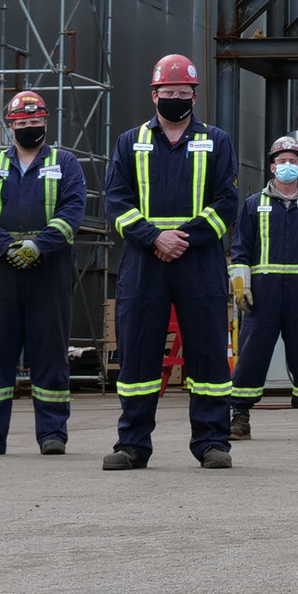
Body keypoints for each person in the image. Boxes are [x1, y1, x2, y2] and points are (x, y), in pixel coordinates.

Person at [101, 55, 241, 470]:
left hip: (199, 261)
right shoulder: (129, 142)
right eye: (168, 93)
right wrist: (153, 237)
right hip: (145, 261)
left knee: (208, 356)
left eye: (183, 93)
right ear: (154, 94)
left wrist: (184, 239)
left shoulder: (216, 140)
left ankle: (212, 443)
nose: (175, 99)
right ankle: (133, 445)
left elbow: (227, 201)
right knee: (139, 354)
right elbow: (116, 201)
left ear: (195, 96)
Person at [0, 91, 88, 457]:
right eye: (22, 123)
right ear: (10, 125)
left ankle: (52, 433)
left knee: (49, 350)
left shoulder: (66, 163)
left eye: (35, 122)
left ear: (46, 122)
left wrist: (38, 247)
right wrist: (5, 246)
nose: (29, 128)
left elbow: (73, 210)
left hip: (50, 267)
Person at [228, 136, 298, 442]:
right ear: (271, 166)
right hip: (261, 296)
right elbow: (239, 252)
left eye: (293, 161)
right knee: (252, 354)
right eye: (282, 161)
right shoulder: (254, 205)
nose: (287, 166)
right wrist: (241, 287)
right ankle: (239, 418)